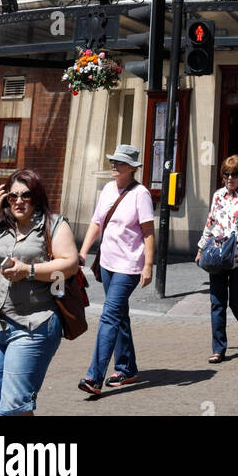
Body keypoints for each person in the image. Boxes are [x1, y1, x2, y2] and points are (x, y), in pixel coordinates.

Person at [0, 168, 79, 416]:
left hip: (34, 326)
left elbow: (70, 264)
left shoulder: (53, 224)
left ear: (36, 197)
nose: (18, 201)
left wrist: (29, 270)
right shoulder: (1, 228)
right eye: (12, 196)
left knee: (14, 411)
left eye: (25, 195)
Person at [77, 143, 155, 396]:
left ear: (131, 168)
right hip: (108, 263)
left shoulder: (140, 194)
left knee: (109, 316)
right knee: (119, 315)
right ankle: (127, 369)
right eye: (112, 160)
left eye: (119, 162)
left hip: (129, 266)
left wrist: (148, 266)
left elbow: (148, 232)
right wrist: (82, 251)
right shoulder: (108, 188)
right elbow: (96, 222)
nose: (113, 165)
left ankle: (94, 377)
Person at [195, 154, 238, 363]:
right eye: (226, 174)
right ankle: (218, 348)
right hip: (218, 256)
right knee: (217, 302)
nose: (230, 178)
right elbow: (210, 223)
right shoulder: (218, 196)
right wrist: (200, 249)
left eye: (234, 174)